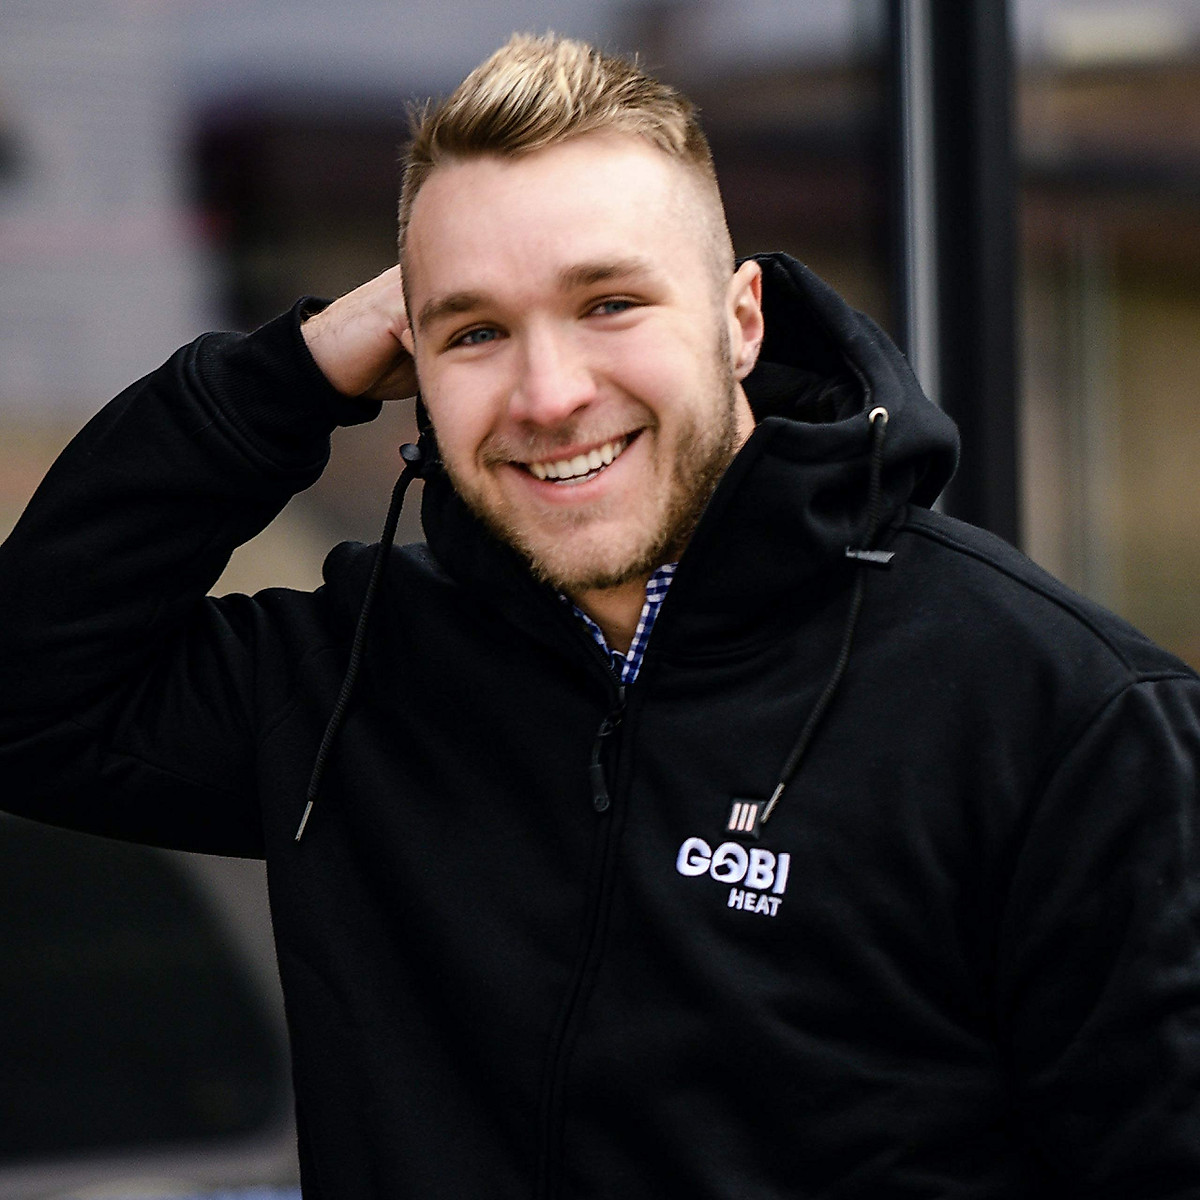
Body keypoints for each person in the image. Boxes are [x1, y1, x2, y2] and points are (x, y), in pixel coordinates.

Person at [2, 31, 1200, 1200]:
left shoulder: (1066, 718)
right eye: (476, 331)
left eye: (610, 303)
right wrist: (291, 373)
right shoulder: (357, 673)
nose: (549, 393)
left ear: (741, 321)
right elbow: (28, 702)